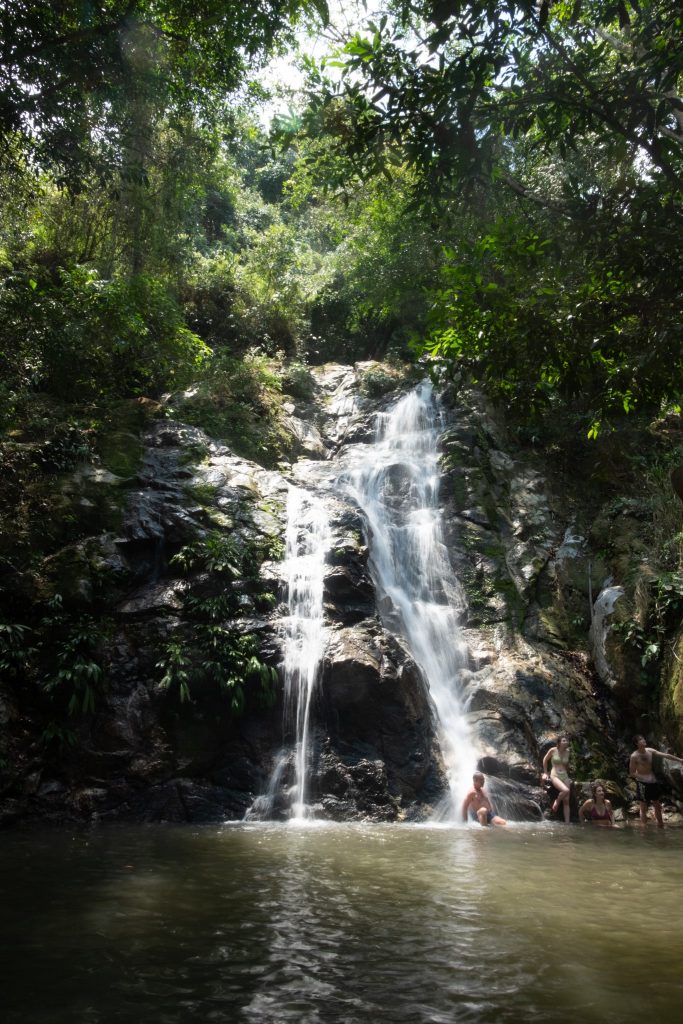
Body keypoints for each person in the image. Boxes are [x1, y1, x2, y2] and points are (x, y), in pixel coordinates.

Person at [629, 735, 683, 827]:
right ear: (636, 743)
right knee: (643, 807)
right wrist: (643, 777)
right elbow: (632, 773)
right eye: (641, 740)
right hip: (642, 783)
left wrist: (680, 760)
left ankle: (660, 825)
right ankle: (644, 828)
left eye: (643, 738)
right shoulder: (634, 756)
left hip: (652, 781)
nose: (644, 740)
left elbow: (665, 755)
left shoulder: (649, 751)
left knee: (657, 805)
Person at [541, 735, 572, 823]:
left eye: (567, 741)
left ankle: (567, 823)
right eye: (564, 740)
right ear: (559, 743)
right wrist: (545, 772)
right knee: (566, 790)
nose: (566, 742)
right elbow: (545, 760)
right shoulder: (553, 750)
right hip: (555, 774)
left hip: (565, 775)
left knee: (566, 800)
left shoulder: (568, 752)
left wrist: (568, 773)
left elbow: (566, 765)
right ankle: (557, 802)